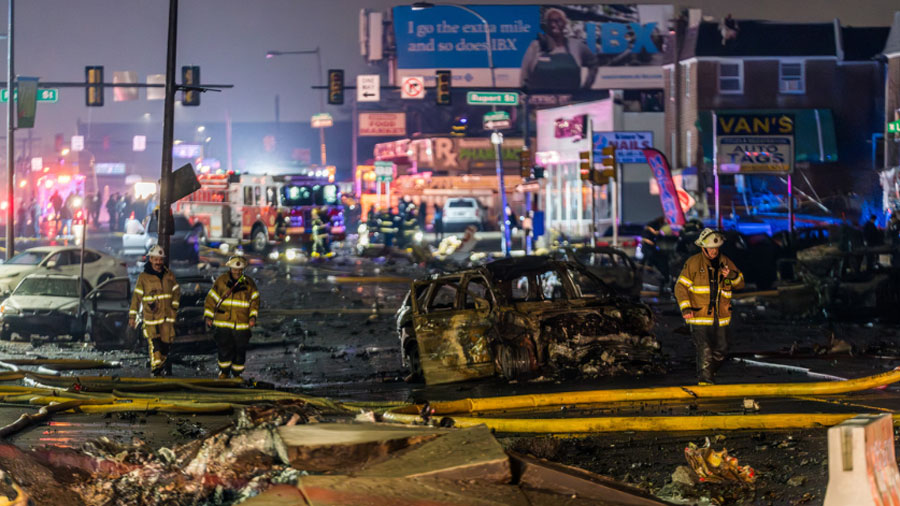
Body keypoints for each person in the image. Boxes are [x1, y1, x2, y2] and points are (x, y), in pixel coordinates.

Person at [674, 228, 744, 385]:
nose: (714, 252)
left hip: (721, 317)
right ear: (703, 248)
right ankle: (705, 381)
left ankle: (708, 373)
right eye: (711, 248)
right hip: (699, 316)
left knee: (722, 350)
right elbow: (680, 287)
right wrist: (686, 308)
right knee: (704, 349)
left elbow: (740, 283)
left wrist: (732, 276)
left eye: (716, 248)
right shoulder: (693, 263)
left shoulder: (726, 262)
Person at [205, 255, 260, 379]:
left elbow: (255, 302)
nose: (237, 272)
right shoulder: (221, 281)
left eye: (239, 270)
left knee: (240, 348)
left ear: (243, 270)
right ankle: (224, 372)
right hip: (223, 322)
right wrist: (208, 316)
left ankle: (237, 373)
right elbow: (211, 299)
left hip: (241, 324)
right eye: (235, 269)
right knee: (224, 347)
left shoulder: (249, 283)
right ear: (230, 269)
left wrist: (252, 317)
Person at [129, 245, 180, 377]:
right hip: (151, 317)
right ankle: (156, 367)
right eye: (155, 259)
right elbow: (136, 297)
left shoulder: (169, 275)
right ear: (150, 259)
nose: (158, 262)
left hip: (167, 317)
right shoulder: (143, 277)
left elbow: (176, 291)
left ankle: (160, 364)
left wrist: (174, 307)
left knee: (166, 344)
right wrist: (132, 316)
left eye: (160, 260)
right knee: (154, 343)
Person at [520, 7, 598, 91]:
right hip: (540, 100)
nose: (553, 25)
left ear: (564, 23)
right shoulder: (535, 46)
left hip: (572, 101)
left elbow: (594, 63)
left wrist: (586, 87)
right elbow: (524, 76)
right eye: (550, 21)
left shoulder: (576, 45)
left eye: (557, 21)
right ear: (546, 25)